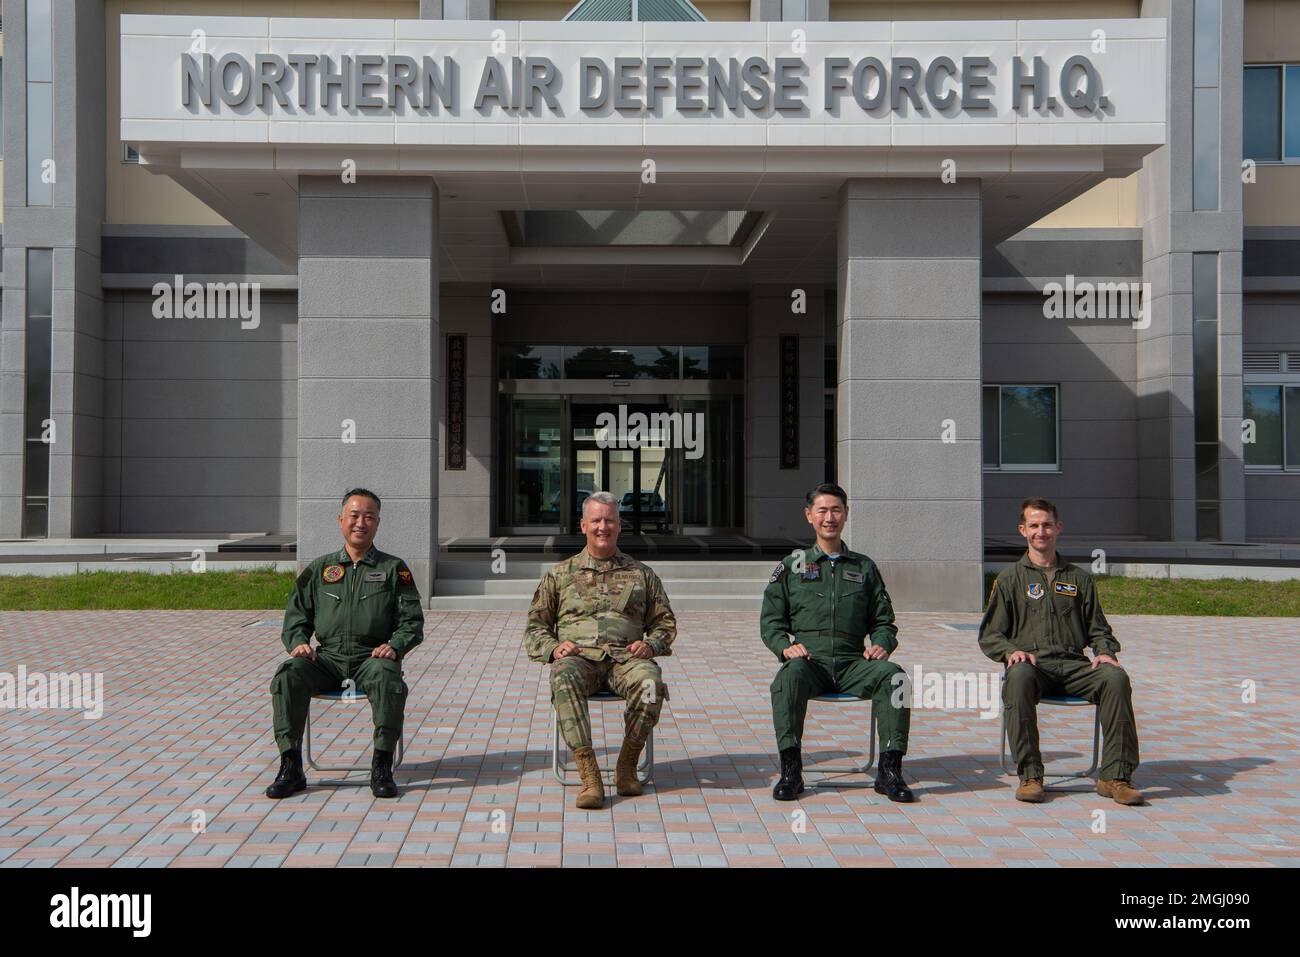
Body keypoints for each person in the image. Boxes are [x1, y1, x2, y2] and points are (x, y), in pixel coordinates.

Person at [979, 496, 1143, 805]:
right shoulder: (1010, 579)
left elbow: (1098, 629)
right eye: (1034, 525)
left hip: (1074, 666)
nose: (1041, 531)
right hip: (1034, 665)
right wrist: (1010, 652)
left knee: (1115, 678)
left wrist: (1105, 651)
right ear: (1023, 530)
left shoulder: (1079, 579)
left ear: (1058, 528)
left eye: (1047, 525)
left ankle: (1115, 776)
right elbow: (990, 634)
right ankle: (1030, 775)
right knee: (1018, 678)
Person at [264, 488, 424, 800]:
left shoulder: (394, 569)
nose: (360, 522)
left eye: (369, 517)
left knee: (388, 678)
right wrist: (298, 644)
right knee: (288, 675)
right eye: (354, 515)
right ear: (341, 520)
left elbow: (412, 621)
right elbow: (296, 616)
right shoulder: (320, 570)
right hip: (327, 659)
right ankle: (290, 766)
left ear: (378, 523)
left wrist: (395, 646)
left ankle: (381, 767)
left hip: (371, 658)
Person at [759, 483, 914, 803]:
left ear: (846, 514)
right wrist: (785, 648)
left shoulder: (863, 566)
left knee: (895, 676)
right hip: (810, 662)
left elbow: (884, 621)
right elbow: (771, 621)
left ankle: (890, 770)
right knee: (787, 678)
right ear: (809, 516)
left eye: (836, 510)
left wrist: (882, 644)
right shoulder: (793, 565)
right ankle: (791, 770)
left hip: (852, 662)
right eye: (822, 511)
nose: (829, 517)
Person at [524, 491, 676, 809]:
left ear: (619, 526)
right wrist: (553, 648)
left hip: (627, 660)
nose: (602, 527)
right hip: (579, 659)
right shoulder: (560, 575)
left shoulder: (641, 574)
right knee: (562, 676)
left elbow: (665, 624)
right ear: (583, 525)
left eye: (609, 520)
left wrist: (651, 645)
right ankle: (589, 773)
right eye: (596, 520)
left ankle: (626, 764)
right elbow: (535, 628)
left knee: (651, 683)